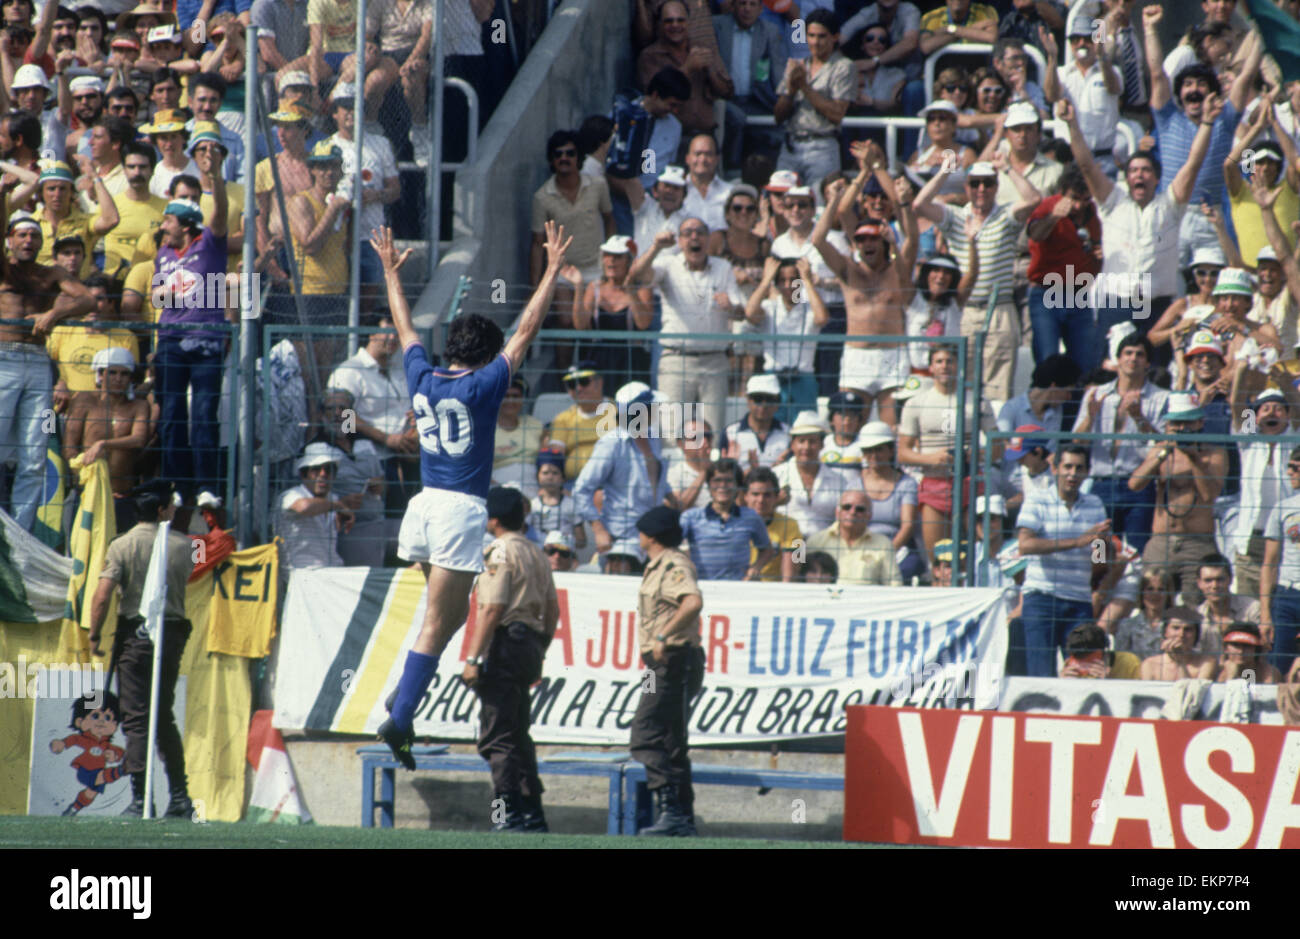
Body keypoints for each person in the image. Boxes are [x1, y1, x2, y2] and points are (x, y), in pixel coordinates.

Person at [371, 220, 571, 770]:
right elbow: (526, 330)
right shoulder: (485, 385)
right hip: (460, 510)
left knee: (448, 615)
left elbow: (406, 326)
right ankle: (401, 715)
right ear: (485, 358)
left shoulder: (422, 375)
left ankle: (402, 698)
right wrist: (551, 270)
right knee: (440, 621)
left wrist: (391, 273)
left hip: (422, 506)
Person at [87, 479, 196, 818]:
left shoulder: (122, 545)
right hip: (172, 634)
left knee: (136, 720)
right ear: (162, 510)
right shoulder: (183, 545)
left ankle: (140, 800)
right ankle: (179, 797)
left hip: (135, 636)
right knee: (163, 716)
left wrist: (94, 635)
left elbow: (103, 594)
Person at [461, 486, 558, 833]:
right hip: (530, 643)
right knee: (518, 735)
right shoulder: (536, 552)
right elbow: (552, 610)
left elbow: (493, 607)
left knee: (498, 737)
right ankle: (533, 814)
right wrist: (537, 648)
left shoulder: (499, 551)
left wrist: (473, 657)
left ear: (494, 519)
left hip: (505, 643)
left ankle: (506, 816)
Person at [913, 155, 1043, 403]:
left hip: (1000, 308)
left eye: (987, 183)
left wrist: (1008, 168)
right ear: (967, 187)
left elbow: (1034, 199)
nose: (981, 189)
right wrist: (944, 171)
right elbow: (919, 204)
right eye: (975, 183)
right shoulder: (955, 216)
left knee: (999, 389)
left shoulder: (1006, 215)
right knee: (964, 385)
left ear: (996, 186)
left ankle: (994, 442)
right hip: (964, 311)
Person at [0, 207, 95, 531]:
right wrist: (3, 194)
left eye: (35, 235)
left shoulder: (51, 274)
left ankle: (19, 538)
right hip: (4, 360)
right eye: (22, 235)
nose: (29, 240)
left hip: (39, 365)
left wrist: (53, 315)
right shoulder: (4, 269)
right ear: (10, 239)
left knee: (35, 452)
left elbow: (87, 301)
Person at [811, 141, 917, 425]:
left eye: (872, 239)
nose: (867, 244)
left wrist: (902, 200)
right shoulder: (849, 270)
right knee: (848, 426)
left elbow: (914, 239)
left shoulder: (897, 269)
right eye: (861, 240)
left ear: (883, 242)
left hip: (892, 354)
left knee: (890, 429)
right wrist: (834, 198)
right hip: (857, 355)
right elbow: (817, 240)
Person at [151, 135, 228, 503]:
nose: (162, 223)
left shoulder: (208, 244)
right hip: (169, 342)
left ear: (185, 224)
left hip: (207, 340)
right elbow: (159, 299)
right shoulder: (163, 252)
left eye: (168, 218)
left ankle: (207, 487)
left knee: (203, 415)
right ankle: (177, 486)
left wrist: (216, 176)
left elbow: (221, 213)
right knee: (170, 416)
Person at [626, 217, 745, 438]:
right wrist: (656, 247)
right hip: (676, 360)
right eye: (688, 233)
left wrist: (731, 306)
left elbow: (742, 313)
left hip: (715, 361)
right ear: (680, 241)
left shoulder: (724, 267)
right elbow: (636, 276)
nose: (694, 237)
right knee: (671, 434)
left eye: (700, 232)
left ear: (708, 239)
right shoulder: (668, 263)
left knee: (713, 434)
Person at [631, 505, 704, 837]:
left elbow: (692, 602)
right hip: (659, 663)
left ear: (652, 536)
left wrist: (662, 635)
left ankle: (671, 811)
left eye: (642, 531)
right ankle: (681, 817)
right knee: (672, 739)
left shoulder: (673, 564)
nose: (638, 536)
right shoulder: (658, 564)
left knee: (645, 732)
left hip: (671, 658)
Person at [1016, 445, 1114, 677]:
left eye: (1079, 468)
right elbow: (1025, 545)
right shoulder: (1037, 500)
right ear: (1055, 468)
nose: (1072, 474)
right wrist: (1077, 541)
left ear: (1088, 471)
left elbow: (1098, 558)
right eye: (1067, 466)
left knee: (1084, 672)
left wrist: (1103, 547)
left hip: (1078, 600)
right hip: (1041, 596)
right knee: (1040, 674)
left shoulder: (1095, 504)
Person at [898, 345, 997, 563]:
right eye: (939, 361)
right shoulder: (916, 403)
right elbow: (902, 453)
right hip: (934, 482)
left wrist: (977, 454)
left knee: (979, 556)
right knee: (938, 561)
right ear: (931, 367)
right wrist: (930, 459)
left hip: (970, 482)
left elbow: (998, 446)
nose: (945, 366)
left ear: (958, 366)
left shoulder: (978, 401)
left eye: (949, 361)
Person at [1127, 390, 1226, 606]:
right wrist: (1163, 454)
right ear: (1168, 425)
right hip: (1161, 540)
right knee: (1151, 603)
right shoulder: (1161, 449)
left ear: (1200, 422)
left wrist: (1193, 457)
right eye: (1176, 423)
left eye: (1187, 423)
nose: (1182, 429)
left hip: (1197, 542)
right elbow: (1135, 484)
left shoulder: (1214, 452)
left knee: (1196, 607)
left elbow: (1209, 495)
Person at [1071, 333, 1168, 551]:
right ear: (1118, 358)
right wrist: (1090, 417)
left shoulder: (1162, 397)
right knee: (1099, 554)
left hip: (1138, 485)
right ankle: (1100, 585)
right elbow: (1078, 442)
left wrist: (1139, 417)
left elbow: (1162, 445)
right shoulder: (1096, 394)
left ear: (1148, 362)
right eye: (1128, 353)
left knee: (1135, 552)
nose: (1133, 359)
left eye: (1140, 354)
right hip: (1101, 483)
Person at [574, 381, 673, 573]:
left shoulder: (653, 438)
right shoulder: (611, 444)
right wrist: (598, 529)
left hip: (653, 538)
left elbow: (653, 478)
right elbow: (581, 489)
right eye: (653, 407)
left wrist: (670, 496)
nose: (657, 410)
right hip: (622, 543)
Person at [326, 311, 418, 514]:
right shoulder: (349, 371)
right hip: (371, 465)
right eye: (387, 331)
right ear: (370, 333)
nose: (393, 338)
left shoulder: (400, 369)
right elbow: (342, 418)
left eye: (397, 332)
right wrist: (385, 438)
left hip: (406, 458)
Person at [63, 348, 151, 532]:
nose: (119, 378)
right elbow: (69, 448)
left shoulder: (139, 406)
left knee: (117, 555)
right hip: (87, 494)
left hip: (121, 495)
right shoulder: (83, 401)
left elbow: (139, 439)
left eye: (124, 374)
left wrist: (101, 443)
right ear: (100, 374)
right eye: (112, 372)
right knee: (80, 556)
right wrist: (81, 474)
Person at [773, 9, 853, 192]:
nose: (816, 42)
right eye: (811, 35)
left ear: (835, 37)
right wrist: (791, 91)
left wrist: (805, 87)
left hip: (823, 147)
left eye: (822, 36)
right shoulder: (797, 65)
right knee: (781, 202)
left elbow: (837, 113)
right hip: (790, 145)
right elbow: (778, 116)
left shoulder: (843, 67)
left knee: (819, 204)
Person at [745, 255, 826, 422]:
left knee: (805, 426)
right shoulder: (769, 307)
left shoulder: (810, 307)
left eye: (793, 280)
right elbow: (750, 312)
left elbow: (822, 318)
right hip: (774, 378)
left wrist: (807, 281)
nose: (788, 285)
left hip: (803, 377)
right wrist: (767, 279)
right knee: (774, 427)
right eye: (782, 280)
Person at [637, 0, 732, 139]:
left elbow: (728, 92)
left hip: (705, 136)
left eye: (680, 20)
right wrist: (688, 68)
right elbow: (654, 99)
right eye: (669, 21)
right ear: (659, 25)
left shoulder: (702, 49)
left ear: (688, 23)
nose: (675, 25)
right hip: (667, 137)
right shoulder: (649, 57)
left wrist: (710, 71)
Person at [315, 387, 387, 568]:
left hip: (380, 521)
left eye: (343, 408)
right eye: (331, 409)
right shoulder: (316, 450)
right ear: (322, 415)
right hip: (348, 529)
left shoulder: (365, 444)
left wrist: (380, 486)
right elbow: (309, 494)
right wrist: (341, 502)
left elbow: (384, 484)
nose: (338, 414)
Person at [570, 236, 652, 391]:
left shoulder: (642, 289)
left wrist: (630, 291)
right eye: (607, 255)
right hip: (598, 360)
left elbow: (643, 323)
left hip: (631, 361)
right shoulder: (594, 288)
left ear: (629, 260)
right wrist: (579, 288)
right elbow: (580, 325)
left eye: (618, 256)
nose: (611, 261)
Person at [713, 0, 786, 168]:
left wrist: (784, 97)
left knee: (776, 133)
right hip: (724, 100)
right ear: (733, 6)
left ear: (761, 9)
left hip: (756, 100)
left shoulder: (769, 30)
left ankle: (763, 178)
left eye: (753, 4)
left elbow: (777, 71)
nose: (747, 9)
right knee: (736, 120)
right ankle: (732, 170)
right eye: (742, 3)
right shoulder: (717, 25)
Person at [679, 458, 774, 580]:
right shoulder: (691, 517)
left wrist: (755, 568)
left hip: (738, 588)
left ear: (738, 486)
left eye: (729, 481)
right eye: (717, 480)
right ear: (708, 485)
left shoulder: (751, 517)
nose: (723, 486)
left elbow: (767, 550)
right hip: (701, 586)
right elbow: (670, 546)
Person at [774, 410, 861, 536]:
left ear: (822, 445)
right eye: (801, 441)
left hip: (825, 543)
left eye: (812, 441)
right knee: (797, 553)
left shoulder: (838, 480)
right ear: (792, 445)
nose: (807, 447)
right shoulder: (777, 474)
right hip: (789, 542)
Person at [857, 420, 922, 584]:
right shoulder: (855, 483)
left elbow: (908, 526)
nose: (873, 455)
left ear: (890, 450)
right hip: (860, 548)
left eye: (879, 449)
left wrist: (885, 554)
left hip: (897, 550)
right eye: (868, 450)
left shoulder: (907, 484)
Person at [277, 442, 353, 570]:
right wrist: (338, 506)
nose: (323, 474)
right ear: (303, 474)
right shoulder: (291, 495)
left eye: (328, 469)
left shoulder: (332, 498)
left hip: (329, 571)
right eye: (316, 469)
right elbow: (304, 506)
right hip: (299, 573)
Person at [806, 488, 901, 586]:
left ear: (869, 516)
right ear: (837, 512)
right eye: (847, 507)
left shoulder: (883, 544)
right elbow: (801, 579)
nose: (852, 512)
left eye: (860, 509)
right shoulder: (816, 541)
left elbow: (894, 584)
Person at [1260, 447, 1300, 677]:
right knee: (1276, 664)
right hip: (1287, 592)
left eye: (1296, 468)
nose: (1289, 472)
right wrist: (1265, 615)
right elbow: (1269, 563)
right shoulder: (1282, 507)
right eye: (1289, 467)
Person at [542, 361, 610, 482]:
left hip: (612, 481)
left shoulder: (619, 412)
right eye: (572, 384)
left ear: (599, 383)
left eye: (583, 382)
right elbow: (555, 458)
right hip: (574, 483)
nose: (578, 388)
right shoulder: (563, 418)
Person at [1195, 553, 1261, 656]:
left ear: (1230, 579)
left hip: (1247, 670)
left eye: (1220, 579)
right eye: (1208, 580)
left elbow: (1261, 653)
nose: (1214, 586)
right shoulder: (1196, 617)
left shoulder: (1253, 608)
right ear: (1199, 583)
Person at [743, 465, 800, 582]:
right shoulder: (734, 522)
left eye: (767, 495)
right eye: (755, 494)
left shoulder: (791, 525)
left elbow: (796, 565)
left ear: (776, 497)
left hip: (774, 591)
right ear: (746, 496)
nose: (761, 500)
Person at [720, 373, 790, 469]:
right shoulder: (730, 433)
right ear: (748, 400)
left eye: (769, 399)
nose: (764, 405)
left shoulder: (788, 433)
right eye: (758, 399)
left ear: (778, 403)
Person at [491, 376, 543, 498]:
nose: (510, 401)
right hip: (498, 486)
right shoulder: (488, 427)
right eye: (506, 396)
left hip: (533, 485)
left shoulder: (534, 424)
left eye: (516, 396)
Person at [1113, 567, 1177, 661]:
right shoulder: (1127, 625)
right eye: (1150, 589)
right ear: (1142, 592)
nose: (1155, 594)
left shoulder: (1177, 626)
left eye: (1161, 589)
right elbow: (1120, 660)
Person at [528, 446, 584, 550]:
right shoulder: (533, 505)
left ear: (563, 478)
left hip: (563, 555)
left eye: (555, 473)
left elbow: (581, 540)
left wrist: (566, 542)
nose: (550, 477)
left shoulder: (570, 505)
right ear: (537, 477)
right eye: (545, 473)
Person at [1138, 608, 1218, 680]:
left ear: (1196, 634)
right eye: (1176, 628)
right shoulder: (1150, 664)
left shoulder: (1207, 663)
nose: (1181, 634)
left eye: (1188, 629)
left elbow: (1193, 693)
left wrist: (1180, 663)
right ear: (1165, 632)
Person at [1059, 622, 1142, 680]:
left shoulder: (1129, 662)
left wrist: (1108, 683)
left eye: (1088, 657)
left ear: (1103, 651)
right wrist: (1063, 683)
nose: (1082, 663)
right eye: (1077, 657)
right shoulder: (1070, 666)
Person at [1216, 623, 1282, 684]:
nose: (1241, 651)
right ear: (1225, 648)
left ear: (1256, 649)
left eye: (1247, 646)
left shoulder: (1268, 672)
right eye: (1235, 645)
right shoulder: (1219, 671)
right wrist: (1230, 676)